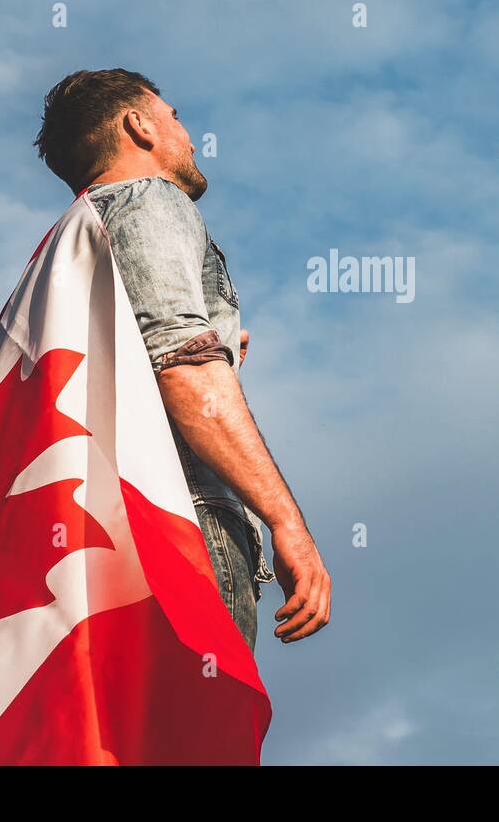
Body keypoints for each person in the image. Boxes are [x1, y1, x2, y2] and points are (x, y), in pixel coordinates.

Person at [33, 69, 330, 652]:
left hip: (96, 532)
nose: (190, 138)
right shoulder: (149, 199)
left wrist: (212, 343)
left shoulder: (64, 245)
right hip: (181, 518)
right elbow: (180, 362)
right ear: (138, 125)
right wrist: (286, 522)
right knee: (193, 737)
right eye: (175, 117)